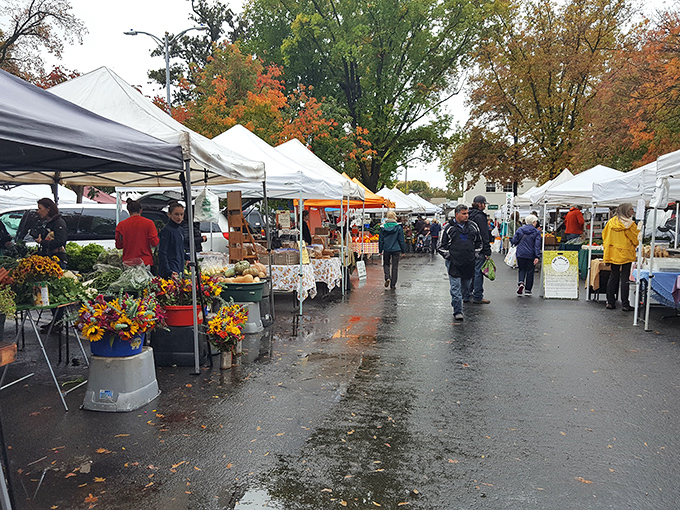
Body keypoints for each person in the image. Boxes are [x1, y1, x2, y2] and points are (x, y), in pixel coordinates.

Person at [437, 204, 482, 321]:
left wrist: (475, 254)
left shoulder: (473, 226)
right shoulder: (448, 228)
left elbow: (479, 243)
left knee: (466, 287)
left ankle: (459, 299)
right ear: (457, 214)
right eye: (464, 213)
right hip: (454, 263)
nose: (467, 216)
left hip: (469, 262)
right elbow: (440, 246)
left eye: (467, 213)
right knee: (455, 287)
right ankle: (457, 310)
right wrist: (449, 256)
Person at [602, 203, 639, 311]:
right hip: (626, 253)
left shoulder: (611, 222)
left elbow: (605, 236)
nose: (633, 211)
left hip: (613, 252)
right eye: (631, 209)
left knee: (613, 276)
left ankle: (610, 301)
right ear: (626, 211)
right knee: (625, 278)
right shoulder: (631, 224)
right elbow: (636, 240)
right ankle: (625, 304)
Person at [115, 199, 159, 266]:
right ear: (141, 210)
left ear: (129, 211)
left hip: (128, 262)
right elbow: (154, 242)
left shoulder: (121, 225)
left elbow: (119, 245)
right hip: (145, 261)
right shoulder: (149, 223)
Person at [467, 195, 492, 304]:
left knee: (469, 272)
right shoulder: (480, 217)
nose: (485, 206)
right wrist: (487, 250)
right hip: (479, 248)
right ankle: (478, 296)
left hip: (468, 248)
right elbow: (484, 234)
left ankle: (467, 293)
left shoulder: (468, 214)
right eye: (484, 204)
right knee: (478, 272)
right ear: (480, 204)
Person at [512, 214, 542, 296]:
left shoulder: (520, 230)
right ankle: (528, 290)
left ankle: (521, 282)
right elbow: (537, 245)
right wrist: (537, 256)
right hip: (531, 254)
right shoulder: (536, 232)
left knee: (521, 269)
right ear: (533, 222)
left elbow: (514, 241)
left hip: (520, 253)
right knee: (530, 271)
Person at [35, 197, 68, 268]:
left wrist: (42, 242)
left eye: (40, 208)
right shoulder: (48, 223)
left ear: (48, 209)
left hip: (57, 261)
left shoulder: (59, 223)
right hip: (48, 260)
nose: (38, 211)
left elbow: (60, 241)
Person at [158, 202, 188, 278]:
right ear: (169, 214)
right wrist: (168, 271)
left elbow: (180, 249)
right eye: (176, 214)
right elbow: (162, 252)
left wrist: (188, 258)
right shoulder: (166, 230)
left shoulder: (180, 229)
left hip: (179, 268)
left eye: (181, 214)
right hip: (171, 270)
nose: (179, 217)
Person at [379, 211, 406, 289]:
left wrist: (380, 250)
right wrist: (403, 250)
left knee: (386, 264)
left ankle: (387, 277)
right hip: (396, 249)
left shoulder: (383, 227)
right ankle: (393, 284)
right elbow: (401, 239)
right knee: (395, 266)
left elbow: (381, 240)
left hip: (386, 248)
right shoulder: (398, 227)